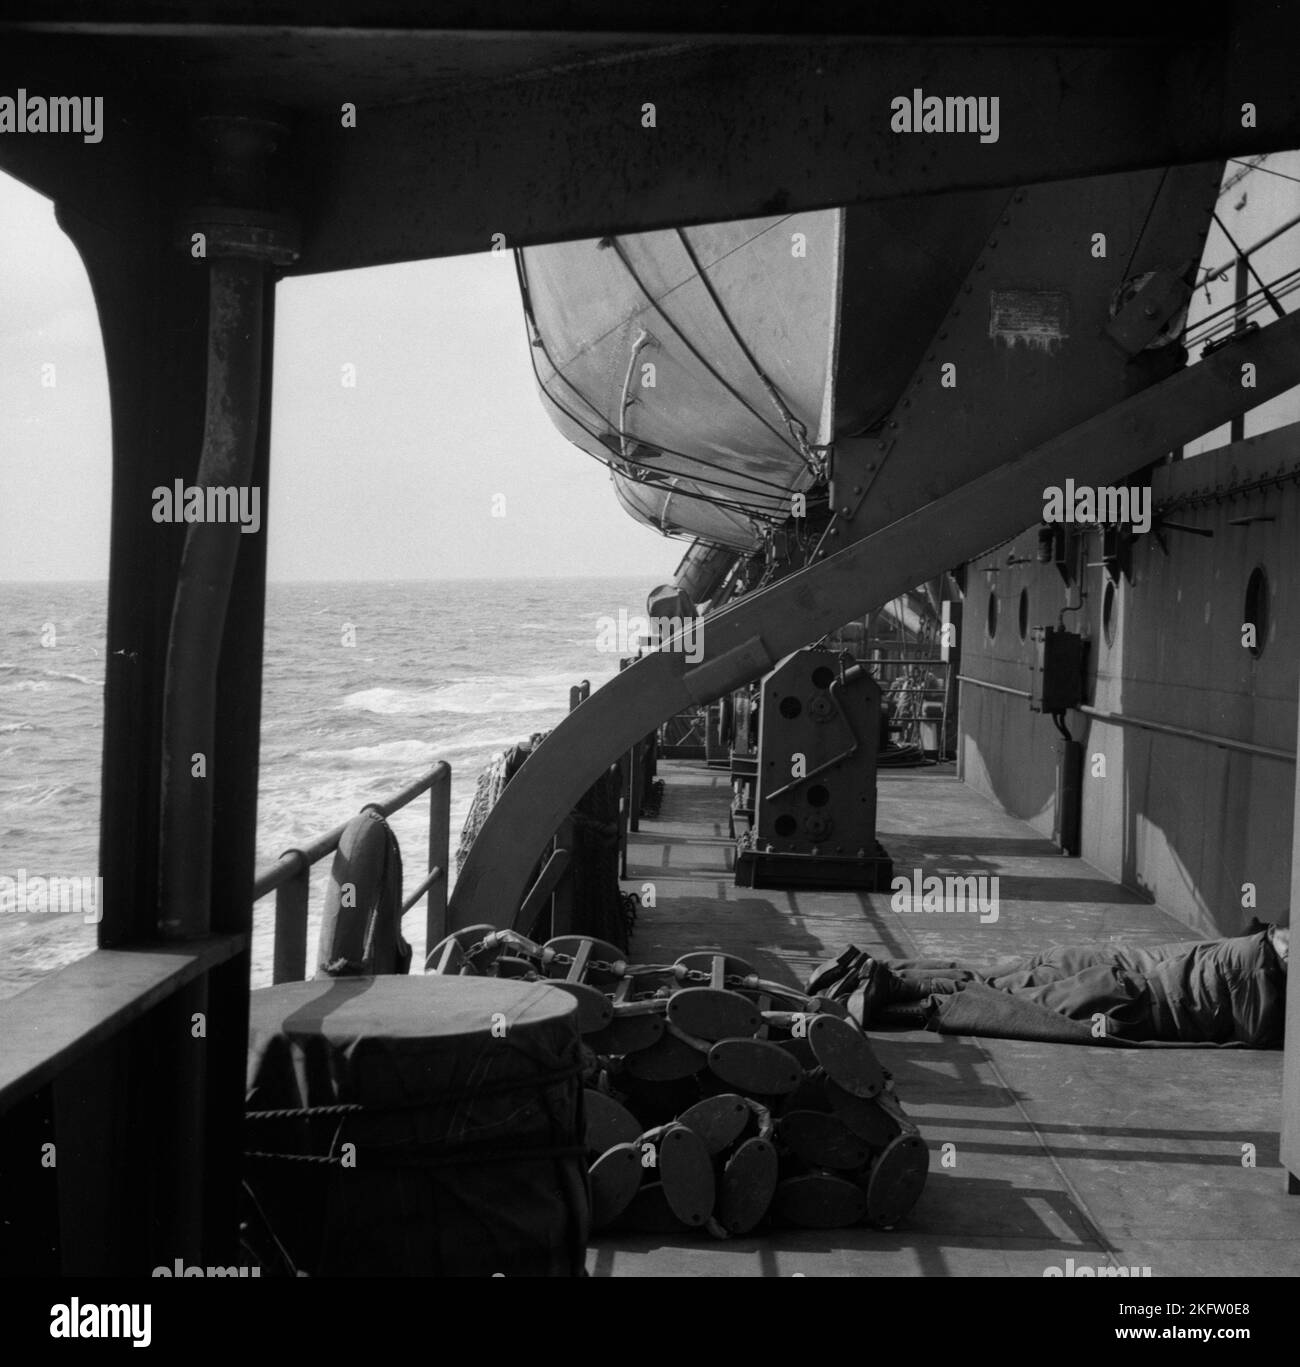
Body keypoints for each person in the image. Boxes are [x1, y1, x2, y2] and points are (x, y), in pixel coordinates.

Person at [836, 921, 1289, 1045]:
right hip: (1129, 994)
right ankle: (898, 991)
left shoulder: (1242, 948)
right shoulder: (1259, 977)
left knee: (997, 977)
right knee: (1014, 1003)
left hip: (1118, 968)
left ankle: (881, 972)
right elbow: (1255, 1029)